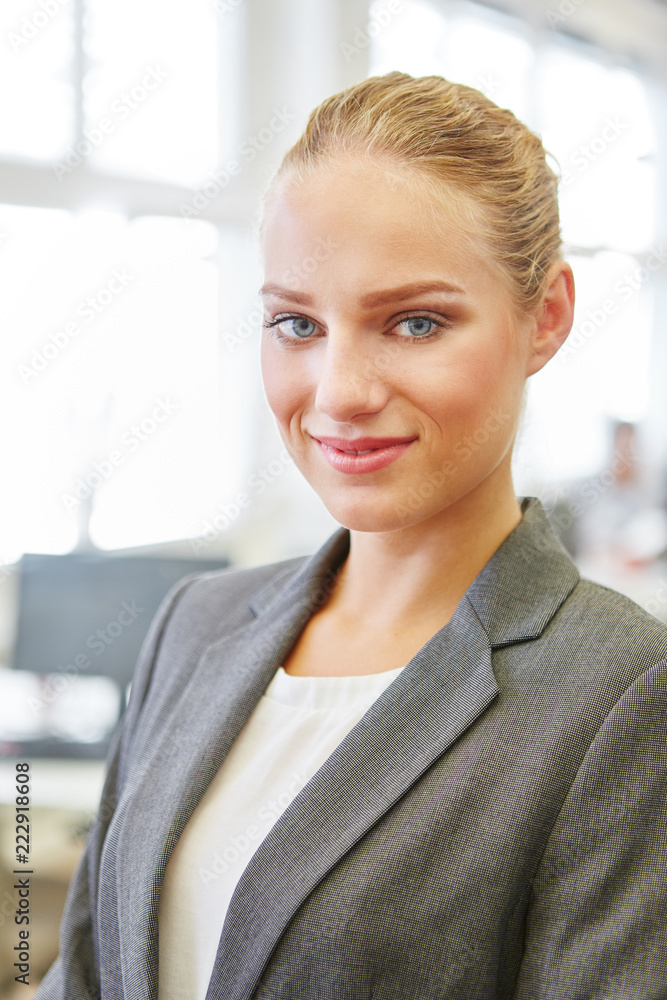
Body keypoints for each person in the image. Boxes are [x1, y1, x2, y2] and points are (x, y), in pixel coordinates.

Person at [37, 73, 666, 1000]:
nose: (337, 392)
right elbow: (85, 973)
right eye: (296, 323)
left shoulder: (620, 695)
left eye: (414, 322)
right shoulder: (196, 626)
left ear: (548, 317)